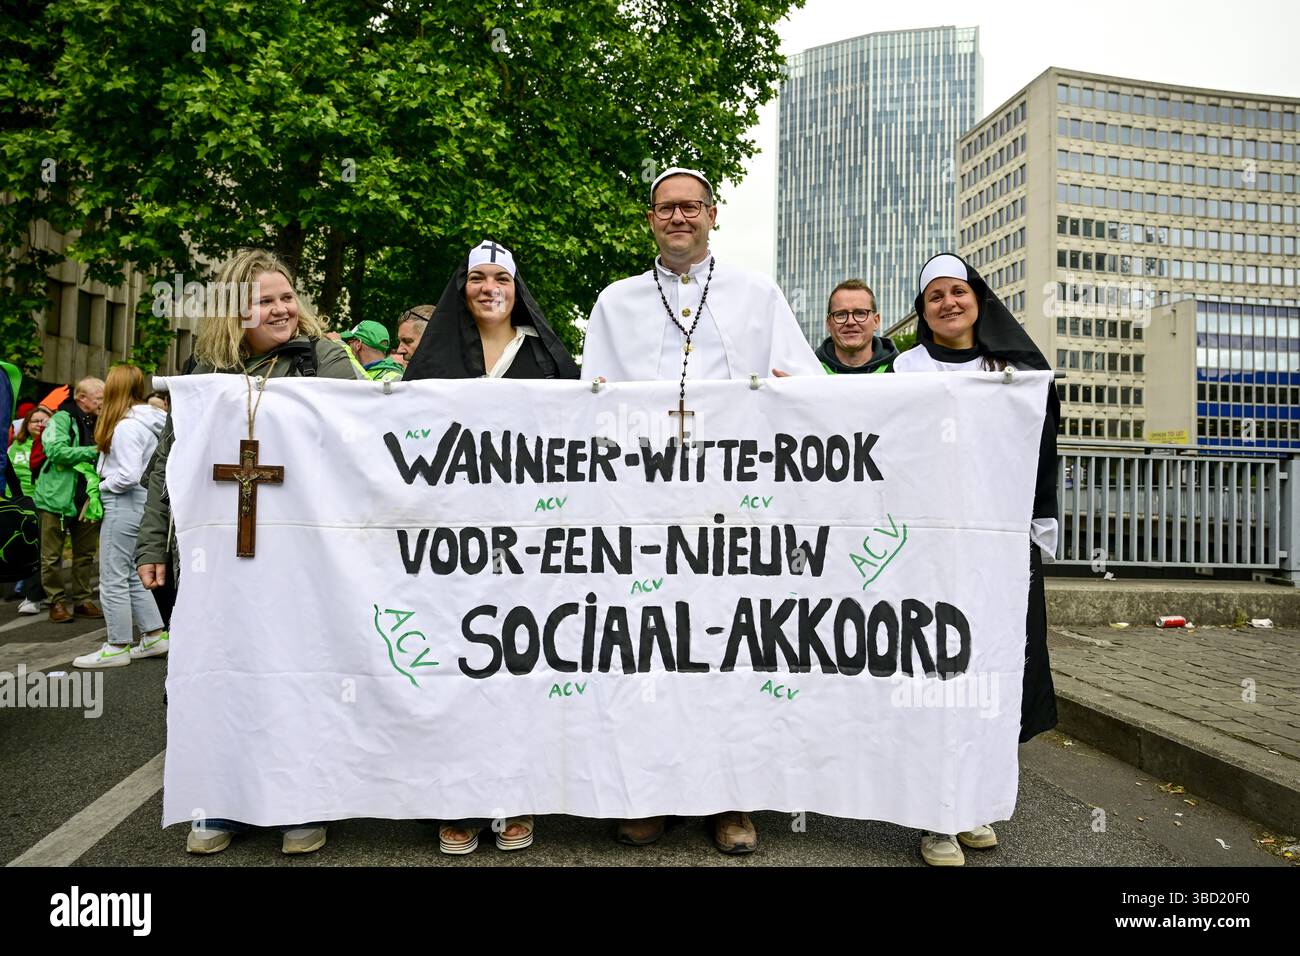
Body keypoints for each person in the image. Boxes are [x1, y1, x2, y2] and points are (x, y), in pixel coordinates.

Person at [581, 167, 823, 855]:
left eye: (691, 207)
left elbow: (804, 385)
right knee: (648, 649)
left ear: (713, 216)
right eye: (666, 208)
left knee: (728, 649)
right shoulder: (615, 302)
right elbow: (591, 404)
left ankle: (731, 799)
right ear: (649, 218)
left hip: (732, 508)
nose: (679, 217)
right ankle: (649, 793)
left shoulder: (757, 294)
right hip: (646, 506)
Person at [135, 247, 361, 857]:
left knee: (297, 665)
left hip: (300, 548)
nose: (284, 309)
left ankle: (301, 799)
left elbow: (357, 440)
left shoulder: (325, 359)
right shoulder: (204, 367)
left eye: (288, 297)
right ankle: (220, 801)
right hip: (220, 550)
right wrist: (153, 538)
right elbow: (170, 460)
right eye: (267, 301)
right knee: (218, 667)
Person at [404, 239, 578, 854]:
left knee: (521, 665)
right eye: (476, 278)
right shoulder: (432, 360)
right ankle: (458, 800)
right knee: (456, 664)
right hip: (452, 541)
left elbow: (577, 439)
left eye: (500, 277)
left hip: (530, 542)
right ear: (462, 288)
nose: (488, 287)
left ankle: (516, 796)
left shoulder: (547, 359)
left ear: (516, 289)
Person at [893, 251, 1060, 866]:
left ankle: (975, 805)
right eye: (934, 295)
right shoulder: (904, 368)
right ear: (923, 309)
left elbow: (1038, 447)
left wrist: (1041, 517)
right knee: (931, 672)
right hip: (929, 545)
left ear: (978, 299)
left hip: (996, 547)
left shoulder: (1015, 367)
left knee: (988, 672)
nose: (948, 304)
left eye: (957, 292)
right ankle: (934, 817)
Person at [72, 365, 168, 669]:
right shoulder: (146, 420)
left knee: (112, 576)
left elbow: (126, 475)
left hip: (123, 501)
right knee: (130, 572)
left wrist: (100, 486)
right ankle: (153, 635)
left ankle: (116, 646)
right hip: (140, 502)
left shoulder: (126, 427)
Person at [33, 378, 105, 624]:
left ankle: (83, 599)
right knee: (51, 556)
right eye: (99, 399)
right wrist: (95, 450)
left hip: (88, 498)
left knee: (85, 554)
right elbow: (54, 451)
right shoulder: (61, 419)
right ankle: (56, 601)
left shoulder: (102, 421)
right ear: (81, 398)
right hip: (56, 498)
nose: (103, 403)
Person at [8, 405, 52, 612]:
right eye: (35, 421)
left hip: (42, 503)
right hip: (15, 503)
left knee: (38, 551)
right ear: (26, 424)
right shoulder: (15, 446)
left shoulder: (51, 445)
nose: (40, 424)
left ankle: (34, 596)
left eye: (45, 420)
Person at [816, 279, 898, 374]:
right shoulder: (809, 373)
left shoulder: (901, 371)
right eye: (841, 314)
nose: (850, 322)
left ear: (876, 321)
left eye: (860, 313)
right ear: (828, 323)